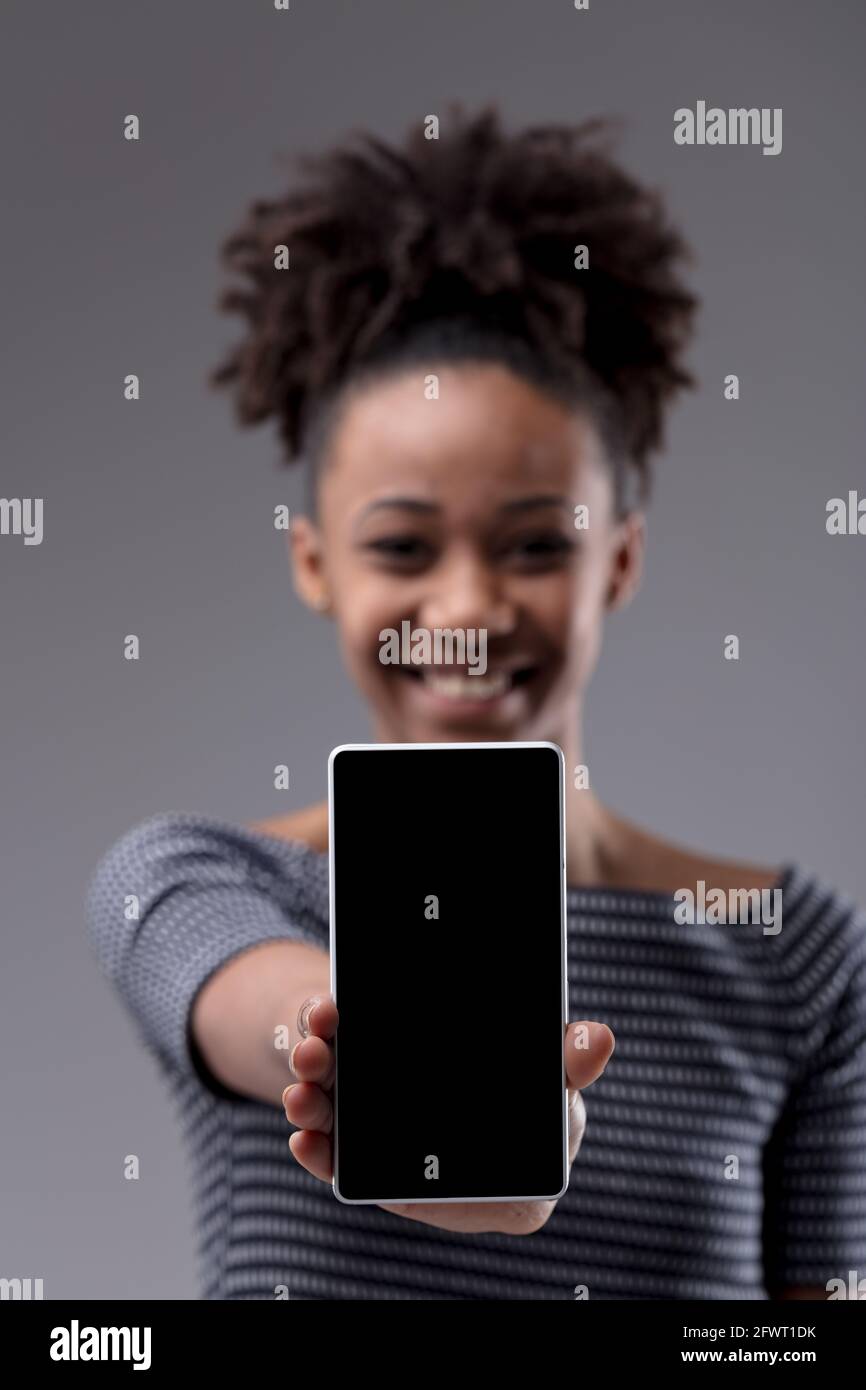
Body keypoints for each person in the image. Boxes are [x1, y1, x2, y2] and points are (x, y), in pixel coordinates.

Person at [85, 104, 866, 1300]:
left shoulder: (792, 951)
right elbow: (253, 997)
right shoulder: (194, 876)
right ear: (314, 563)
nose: (464, 606)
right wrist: (372, 1054)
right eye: (401, 546)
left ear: (618, 559)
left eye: (534, 545)